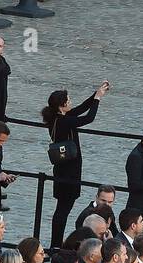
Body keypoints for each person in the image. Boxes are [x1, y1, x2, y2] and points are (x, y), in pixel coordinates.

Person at [42, 83, 111, 245]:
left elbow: (81, 109)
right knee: (63, 210)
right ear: (62, 105)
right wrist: (98, 99)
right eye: (68, 100)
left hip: (62, 169)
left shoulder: (58, 119)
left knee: (62, 208)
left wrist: (96, 94)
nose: (70, 102)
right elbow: (88, 118)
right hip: (69, 172)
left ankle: (56, 243)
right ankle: (56, 244)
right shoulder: (65, 122)